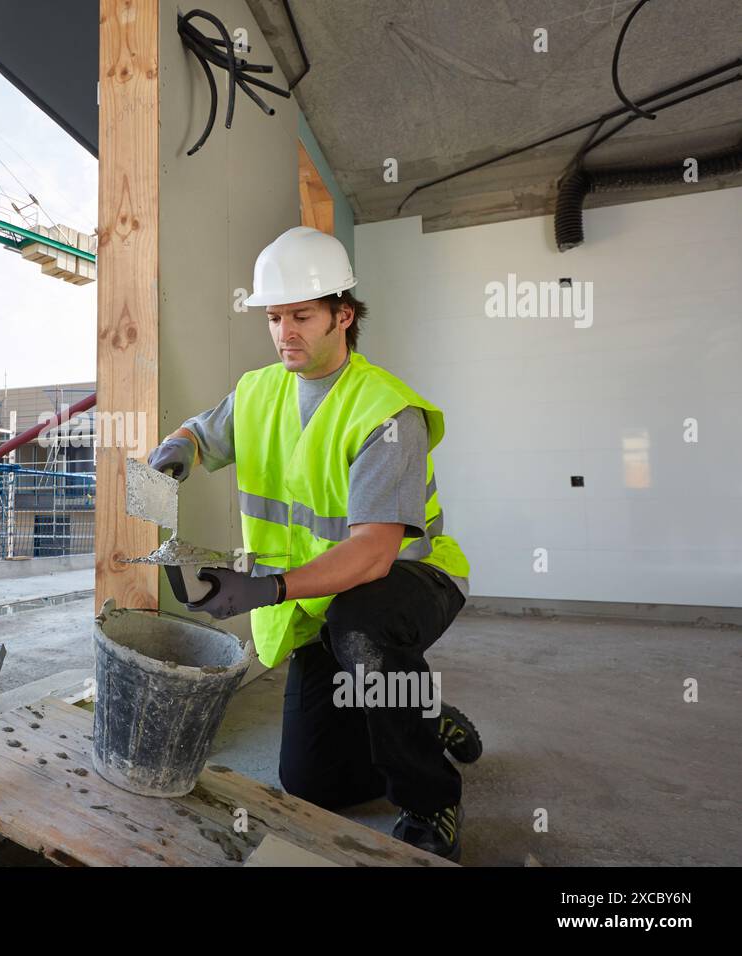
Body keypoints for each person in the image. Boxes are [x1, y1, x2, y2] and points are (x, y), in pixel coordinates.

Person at [146, 226, 481, 861]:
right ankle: (424, 716)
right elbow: (202, 429)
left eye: (301, 315)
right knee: (312, 782)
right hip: (319, 605)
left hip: (411, 583)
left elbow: (373, 555)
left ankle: (430, 796)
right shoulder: (258, 391)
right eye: (274, 317)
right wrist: (178, 451)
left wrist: (263, 587)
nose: (284, 332)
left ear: (342, 316)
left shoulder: (386, 412)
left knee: (364, 630)